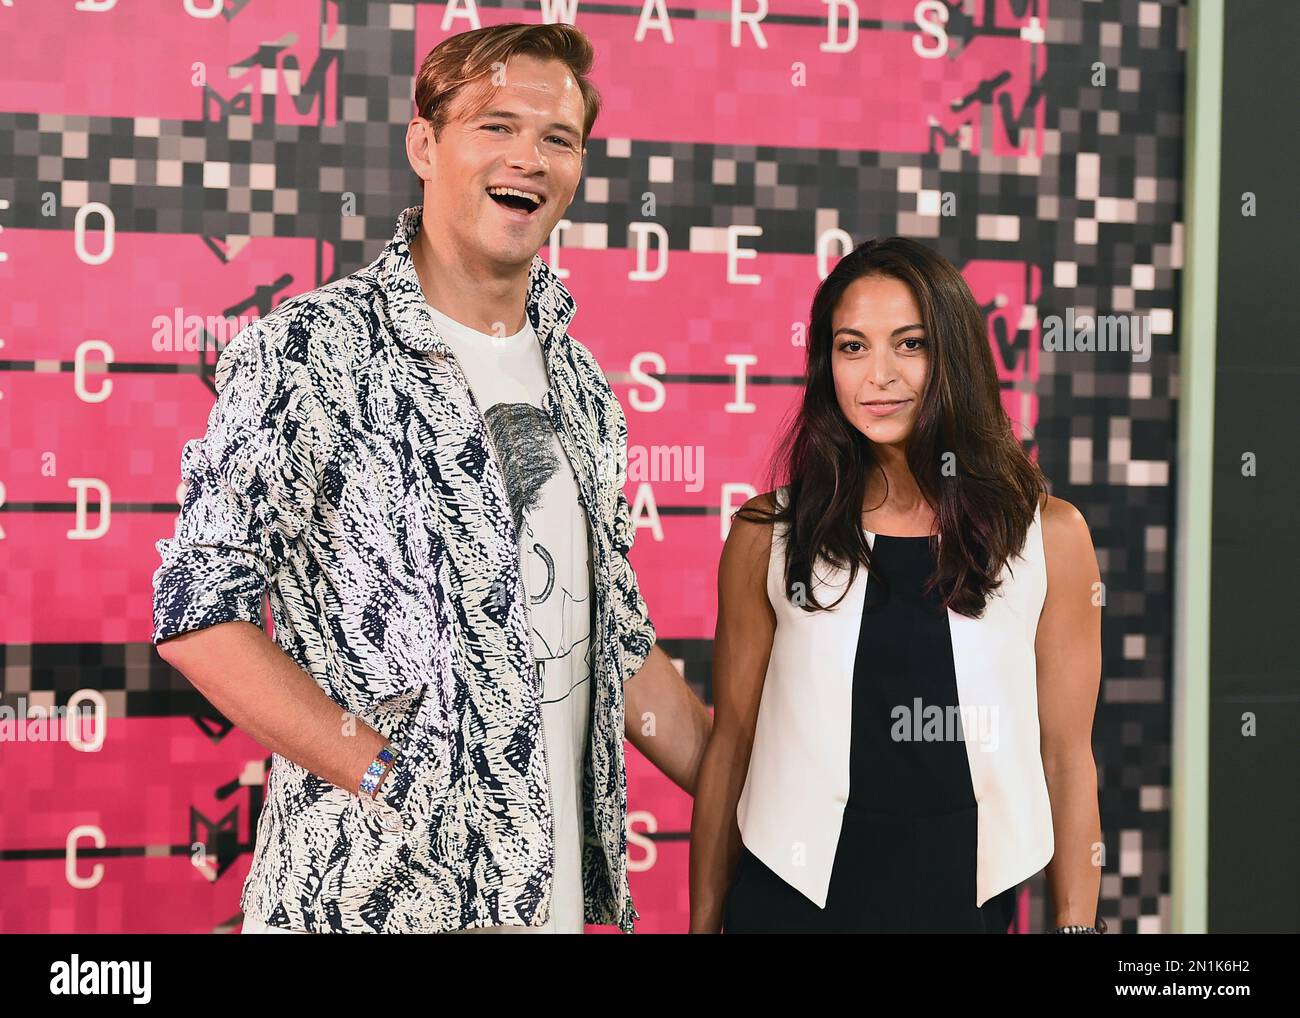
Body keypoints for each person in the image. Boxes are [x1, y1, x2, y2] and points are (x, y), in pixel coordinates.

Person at [152, 23, 711, 935]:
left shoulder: (583, 385)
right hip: (369, 905)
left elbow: (610, 638)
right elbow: (200, 620)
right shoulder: (308, 351)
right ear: (424, 143)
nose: (529, 155)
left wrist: (773, 803)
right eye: (496, 125)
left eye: (558, 137)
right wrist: (387, 777)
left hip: (551, 903)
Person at [688, 237, 1105, 933]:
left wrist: (1076, 925)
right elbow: (733, 743)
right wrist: (703, 926)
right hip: (788, 904)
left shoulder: (1051, 536)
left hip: (964, 907)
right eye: (852, 347)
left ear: (955, 356)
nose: (877, 375)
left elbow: (1066, 757)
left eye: (908, 344)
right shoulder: (768, 532)